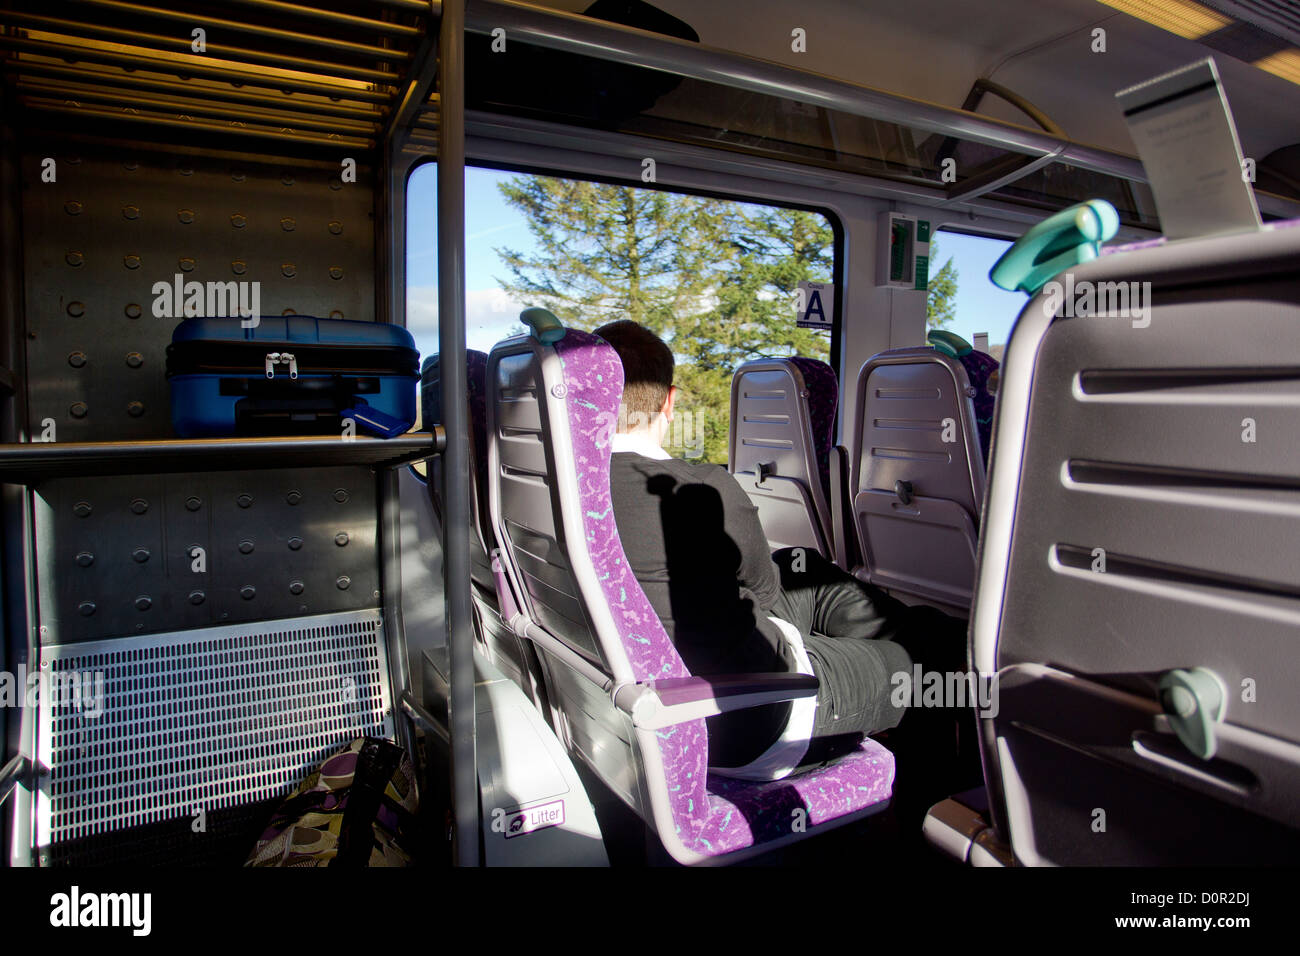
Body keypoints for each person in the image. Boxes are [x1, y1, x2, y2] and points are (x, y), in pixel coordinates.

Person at [595, 319, 971, 778]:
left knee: (809, 570)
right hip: (754, 713)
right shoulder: (703, 490)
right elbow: (766, 598)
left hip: (655, 686)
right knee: (912, 665)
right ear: (670, 401)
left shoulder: (564, 492)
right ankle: (933, 800)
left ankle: (940, 636)